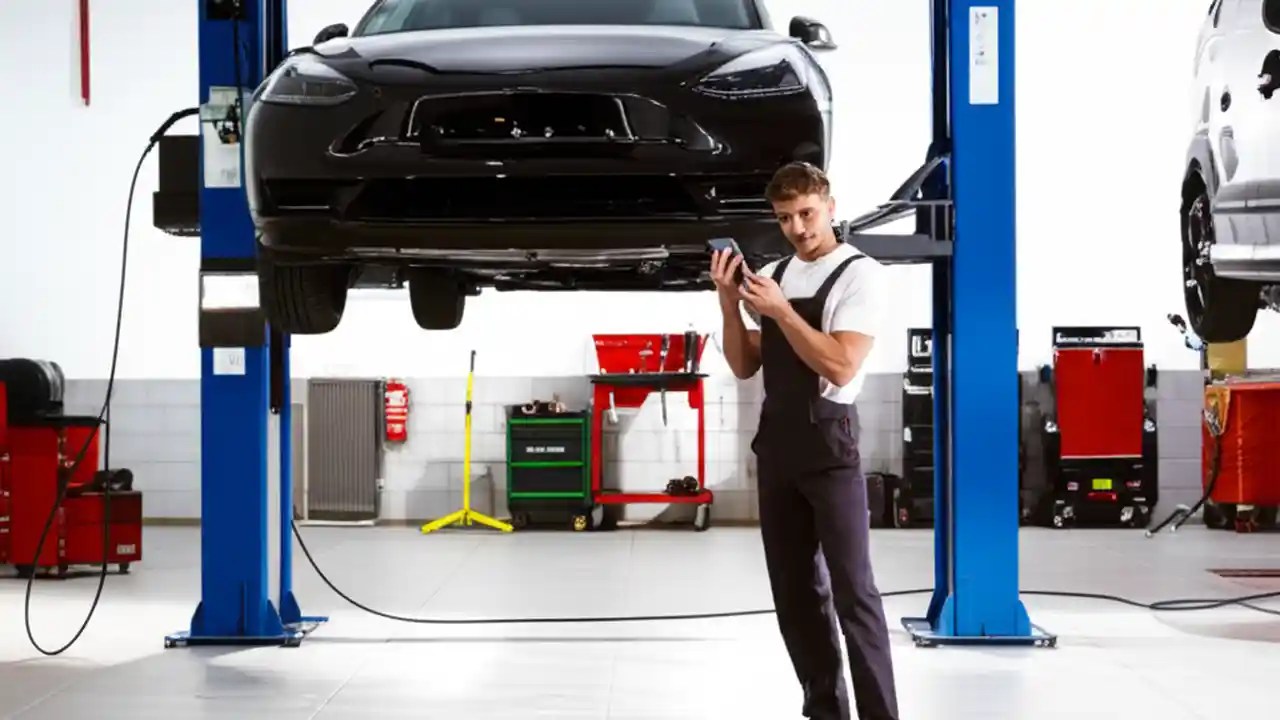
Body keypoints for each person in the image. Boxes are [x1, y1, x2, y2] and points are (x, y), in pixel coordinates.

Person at [710, 161, 899, 720]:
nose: (798, 228)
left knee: (853, 593)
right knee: (795, 594)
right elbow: (746, 364)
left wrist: (781, 311)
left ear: (831, 207)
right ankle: (824, 710)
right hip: (779, 446)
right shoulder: (775, 272)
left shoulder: (860, 275)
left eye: (807, 214)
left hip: (829, 444)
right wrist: (728, 300)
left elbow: (840, 366)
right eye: (786, 218)